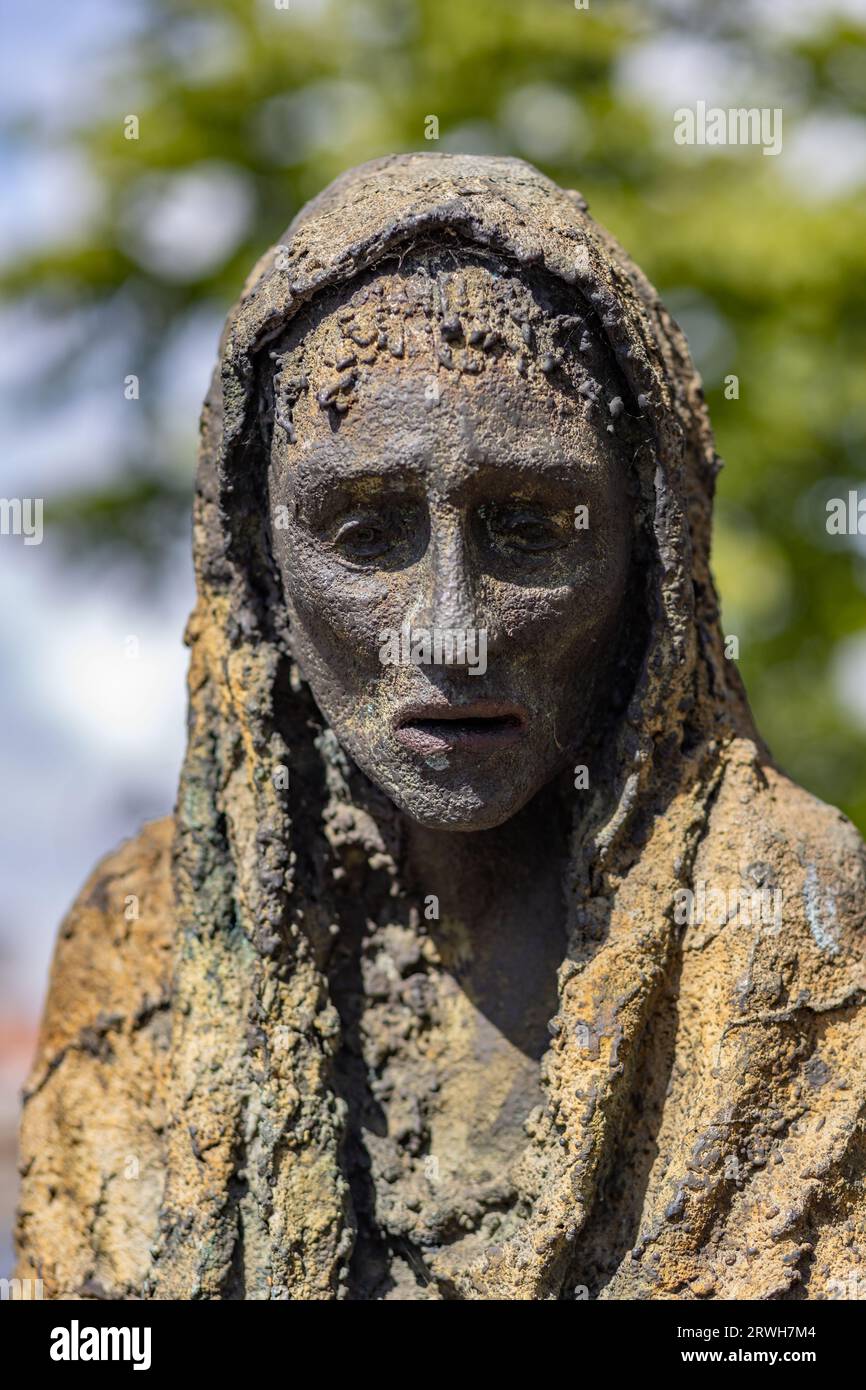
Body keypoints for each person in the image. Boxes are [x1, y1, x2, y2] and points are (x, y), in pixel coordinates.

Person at [16, 154, 866, 1301]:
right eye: (363, 533)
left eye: (528, 529)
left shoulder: (789, 919)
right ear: (259, 561)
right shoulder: (140, 942)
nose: (451, 634)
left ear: (652, 550)